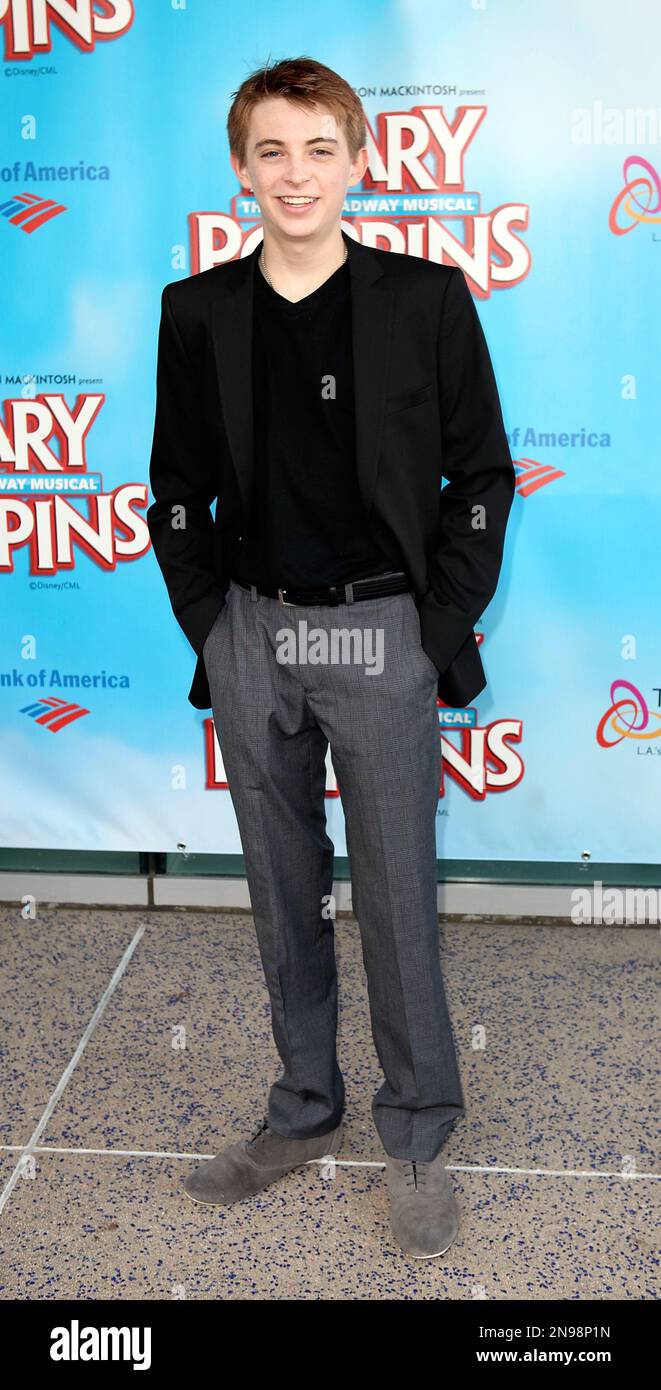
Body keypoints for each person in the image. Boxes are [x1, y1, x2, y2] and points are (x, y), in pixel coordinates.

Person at [147, 56, 515, 1259]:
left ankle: (415, 1129)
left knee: (398, 895)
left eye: (318, 150)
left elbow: (481, 475)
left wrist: (433, 632)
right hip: (253, 633)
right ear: (240, 167)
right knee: (281, 889)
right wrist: (212, 625)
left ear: (358, 160)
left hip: (381, 634)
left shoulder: (425, 299)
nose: (294, 174)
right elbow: (174, 488)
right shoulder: (195, 312)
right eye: (272, 151)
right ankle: (304, 1106)